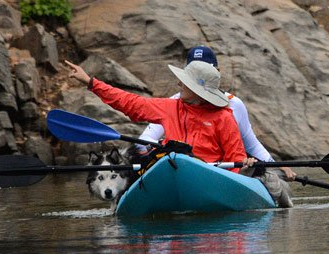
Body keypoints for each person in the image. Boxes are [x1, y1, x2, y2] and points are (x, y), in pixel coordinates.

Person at [136, 46, 294, 207]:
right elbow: (143, 142)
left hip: (221, 171)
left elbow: (251, 144)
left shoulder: (234, 104)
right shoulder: (174, 103)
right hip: (179, 167)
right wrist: (161, 151)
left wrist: (277, 165)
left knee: (270, 180)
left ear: (217, 72)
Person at [64, 59, 248, 172]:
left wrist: (238, 174)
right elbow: (130, 102)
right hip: (173, 171)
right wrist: (90, 82)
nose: (179, 84)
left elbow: (236, 159)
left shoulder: (223, 118)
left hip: (210, 176)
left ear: (198, 90)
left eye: (185, 81)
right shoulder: (170, 107)